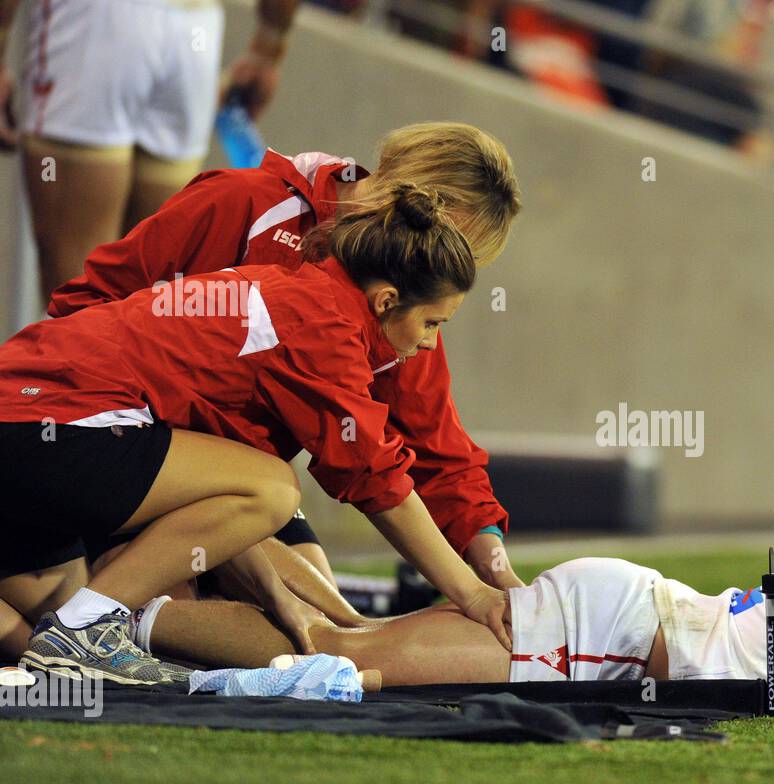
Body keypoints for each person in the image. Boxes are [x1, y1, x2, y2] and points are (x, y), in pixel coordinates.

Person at [106, 452, 774, 723]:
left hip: (635, 616)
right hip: (621, 638)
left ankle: (144, 588)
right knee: (353, 664)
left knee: (351, 635)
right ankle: (112, 611)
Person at [1, 183, 512, 683]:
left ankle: (81, 627)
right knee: (273, 488)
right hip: (44, 426)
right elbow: (376, 481)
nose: (428, 344)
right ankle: (86, 627)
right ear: (385, 301)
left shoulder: (295, 291)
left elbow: (211, 507)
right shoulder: (322, 326)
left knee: (46, 650)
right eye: (432, 324)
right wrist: (472, 592)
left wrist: (287, 596)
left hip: (38, 424)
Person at [41, 121, 524, 593]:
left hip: (239, 481)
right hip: (119, 439)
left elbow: (436, 444)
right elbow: (83, 311)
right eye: (442, 247)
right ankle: (75, 623)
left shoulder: (406, 289)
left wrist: (496, 566)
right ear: (415, 204)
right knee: (257, 611)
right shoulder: (241, 202)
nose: (437, 266)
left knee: (316, 615)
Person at [0, 0, 301, 304]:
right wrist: (269, 44)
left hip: (95, 25)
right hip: (195, 30)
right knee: (146, 295)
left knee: (75, 296)